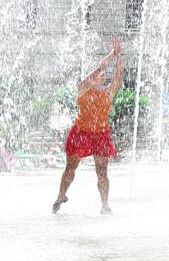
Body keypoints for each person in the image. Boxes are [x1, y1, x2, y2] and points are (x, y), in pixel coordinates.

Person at [53, 37, 124, 214]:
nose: (102, 74)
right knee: (71, 168)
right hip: (81, 133)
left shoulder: (108, 93)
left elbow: (118, 76)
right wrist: (111, 54)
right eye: (99, 73)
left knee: (102, 172)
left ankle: (105, 205)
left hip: (101, 134)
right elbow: (99, 69)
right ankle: (61, 196)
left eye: (104, 74)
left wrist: (118, 57)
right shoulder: (83, 88)